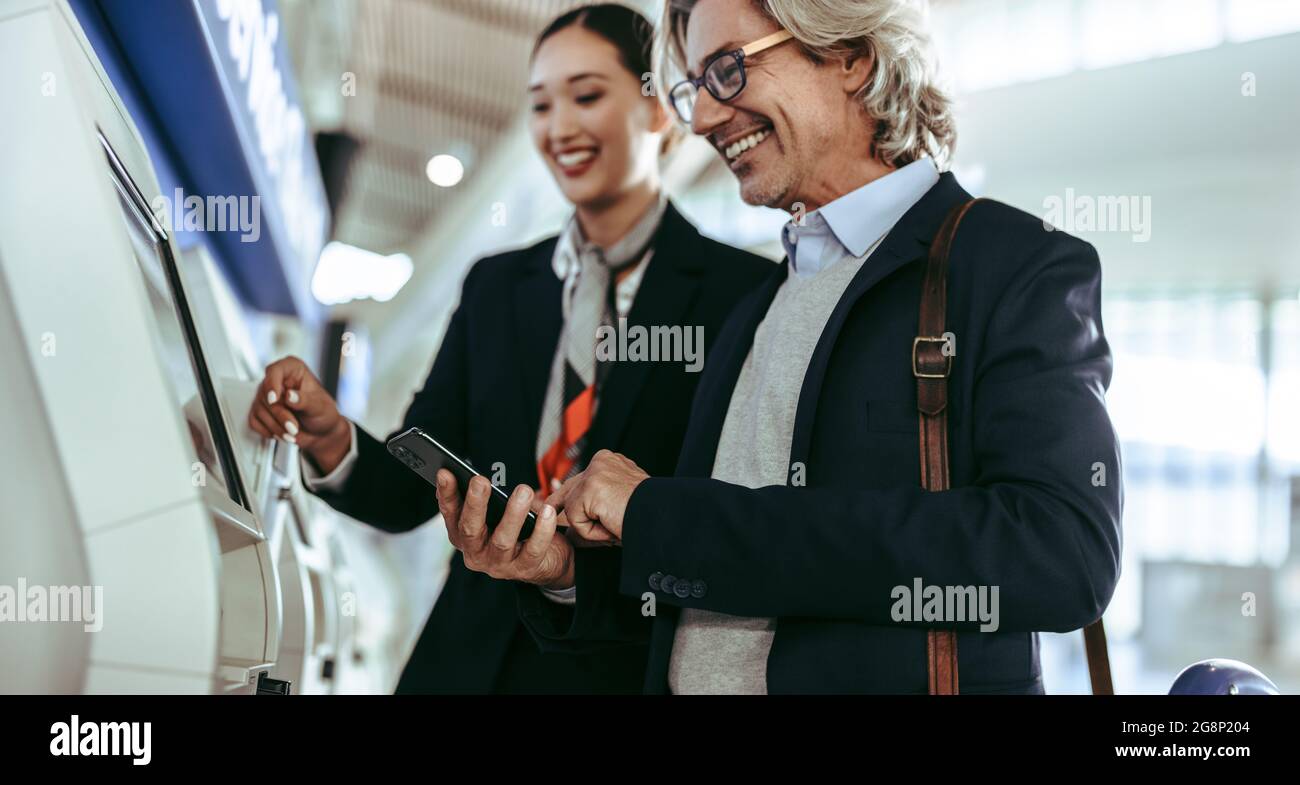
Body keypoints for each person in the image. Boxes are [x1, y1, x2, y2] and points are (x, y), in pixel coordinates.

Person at [437, 0, 1123, 694]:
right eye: (695, 87)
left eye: (728, 70)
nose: (702, 118)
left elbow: (1062, 553)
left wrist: (660, 515)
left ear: (851, 54)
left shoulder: (1012, 266)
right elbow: (712, 580)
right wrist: (565, 574)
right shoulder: (757, 303)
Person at [246, 3, 773, 694]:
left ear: (657, 112)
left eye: (586, 95)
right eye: (540, 105)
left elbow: (725, 530)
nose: (560, 127)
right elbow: (416, 486)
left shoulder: (745, 295)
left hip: (616, 670)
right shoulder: (497, 286)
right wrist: (333, 438)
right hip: (461, 663)